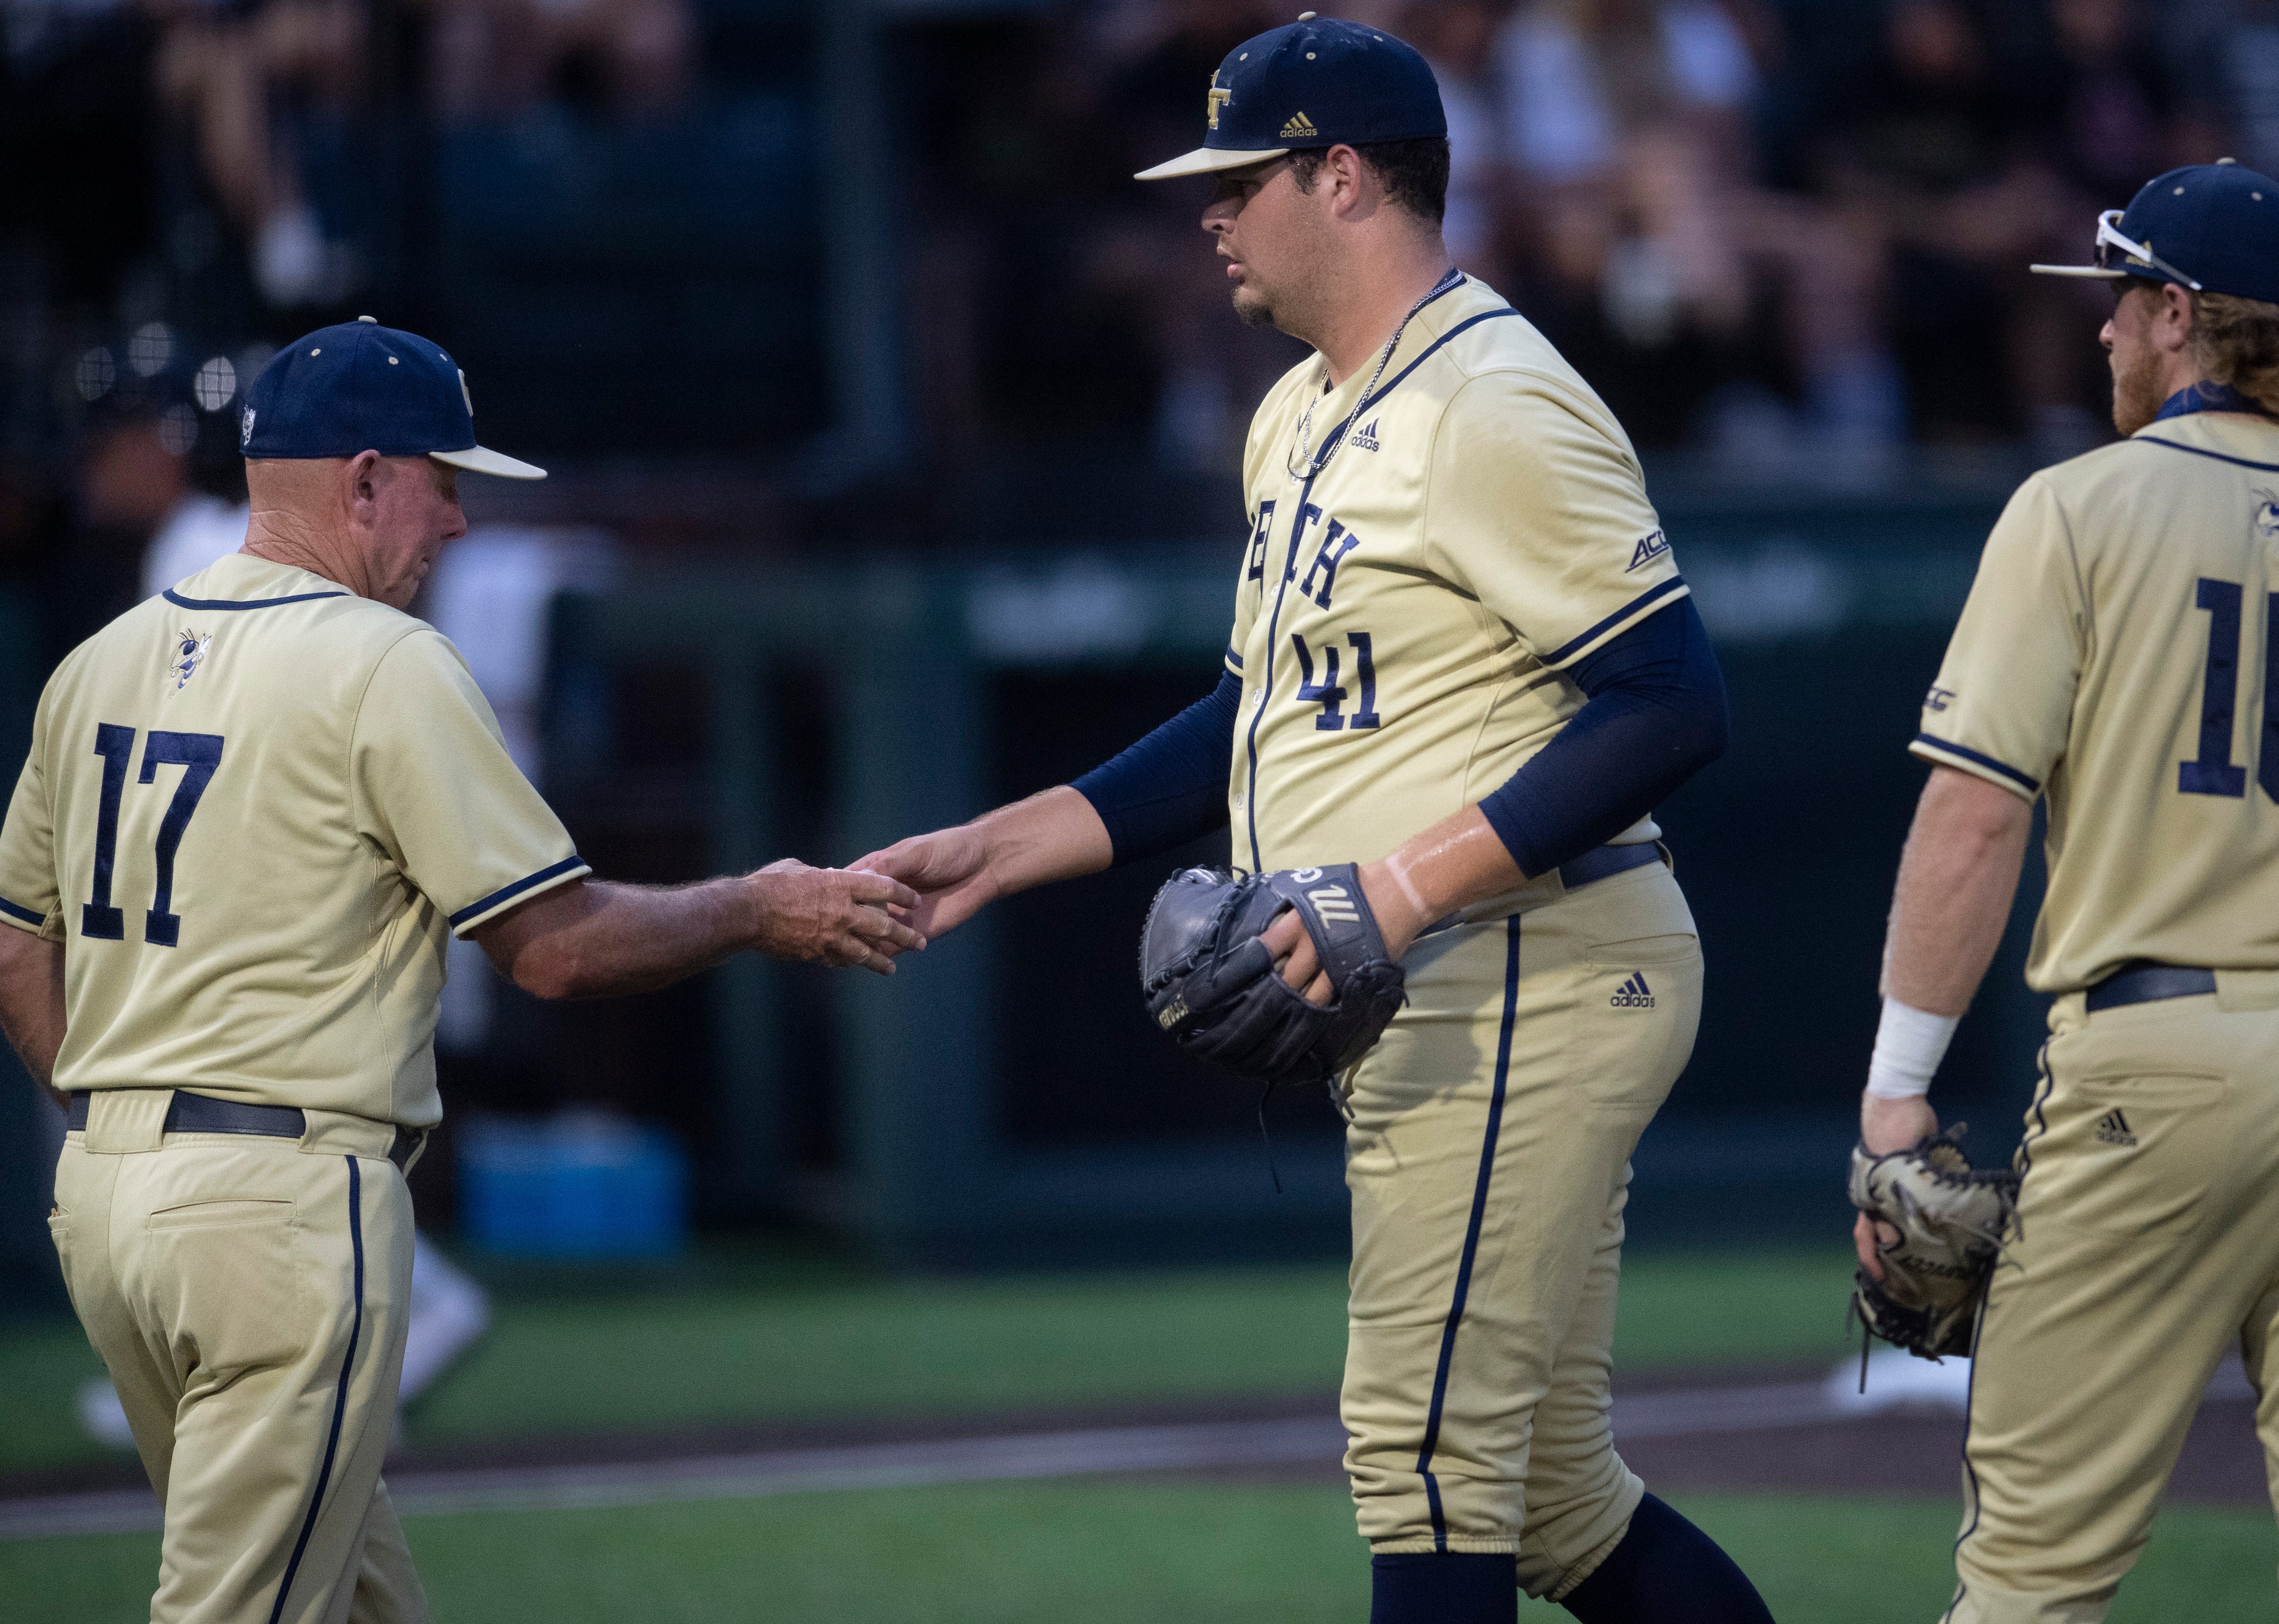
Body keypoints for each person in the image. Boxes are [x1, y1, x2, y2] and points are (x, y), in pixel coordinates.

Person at [857, 18, 1769, 1624]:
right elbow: (1258, 711)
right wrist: (1005, 845)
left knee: (1423, 1468)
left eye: (1239, 178)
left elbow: (1673, 701)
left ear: (1341, 177)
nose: (1208, 212)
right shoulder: (1297, 411)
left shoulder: (1494, 399)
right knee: (1551, 1502)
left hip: (1525, 965)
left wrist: (1399, 889)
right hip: (1458, 970)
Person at [0, 317, 922, 1624]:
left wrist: (107, 1116)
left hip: (107, 1206)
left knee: (355, 1593)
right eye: (445, 482)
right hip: (280, 1212)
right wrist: (755, 910)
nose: (460, 524)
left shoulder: (98, 661)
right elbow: (557, 949)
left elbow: (13, 938)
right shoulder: (384, 662)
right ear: (365, 478)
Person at [1853, 160, 2279, 1623]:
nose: (2099, 332)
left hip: (2160, 1063)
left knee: (2034, 1574)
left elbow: (1973, 815)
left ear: (2179, 316)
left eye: (2118, 301)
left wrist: (1898, 1099)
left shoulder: (2083, 506)